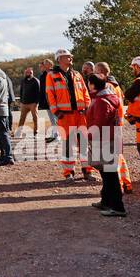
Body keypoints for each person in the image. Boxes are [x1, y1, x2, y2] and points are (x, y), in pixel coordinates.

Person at [43, 50, 93, 180]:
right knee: (68, 145)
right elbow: (50, 95)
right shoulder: (51, 75)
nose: (71, 57)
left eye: (70, 56)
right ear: (59, 59)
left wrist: (87, 108)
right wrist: (57, 112)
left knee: (83, 143)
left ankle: (87, 170)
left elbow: (85, 92)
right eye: (68, 56)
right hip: (65, 116)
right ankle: (68, 172)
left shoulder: (77, 74)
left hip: (80, 115)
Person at [85, 72, 127, 217]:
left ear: (93, 84)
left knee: (110, 174)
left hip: (105, 140)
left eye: (89, 82)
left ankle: (117, 207)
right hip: (106, 139)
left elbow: (99, 123)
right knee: (106, 173)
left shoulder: (102, 101)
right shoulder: (104, 98)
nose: (88, 85)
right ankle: (106, 201)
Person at [93, 62, 133, 194]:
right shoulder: (116, 86)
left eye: (95, 71)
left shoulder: (107, 86)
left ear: (100, 72)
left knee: (111, 159)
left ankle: (119, 186)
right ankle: (125, 183)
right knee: (117, 156)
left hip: (110, 126)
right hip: (116, 125)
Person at [16, 66, 41, 137]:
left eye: (29, 72)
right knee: (22, 118)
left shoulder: (36, 81)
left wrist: (36, 102)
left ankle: (36, 132)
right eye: (26, 72)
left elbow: (39, 92)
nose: (28, 73)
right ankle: (18, 133)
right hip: (24, 103)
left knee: (35, 118)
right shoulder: (23, 81)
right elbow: (21, 91)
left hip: (33, 103)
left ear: (32, 73)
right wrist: (21, 101)